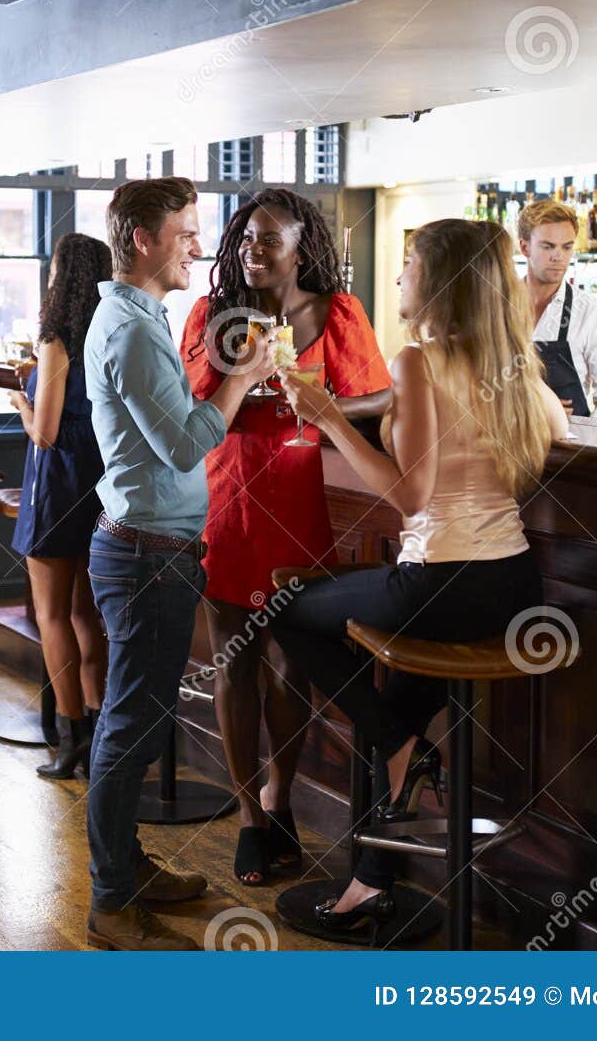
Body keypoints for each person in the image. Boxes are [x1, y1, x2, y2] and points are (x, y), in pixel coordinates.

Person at [272, 218, 569, 933]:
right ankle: (367, 887)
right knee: (401, 706)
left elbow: (411, 495)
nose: (400, 276)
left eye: (408, 263)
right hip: (511, 587)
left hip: (440, 580)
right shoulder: (517, 363)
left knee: (285, 607)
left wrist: (327, 420)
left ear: (438, 281)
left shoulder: (419, 360)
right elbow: (559, 434)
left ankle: (390, 740)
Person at [81, 176, 276, 951]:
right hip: (144, 557)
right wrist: (245, 375)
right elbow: (189, 441)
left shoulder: (138, 318)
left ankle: (124, 867)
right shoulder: (130, 329)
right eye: (187, 231)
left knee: (135, 723)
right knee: (129, 727)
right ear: (141, 239)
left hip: (148, 549)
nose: (199, 243)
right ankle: (108, 900)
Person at [179, 189, 392, 886]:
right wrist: (247, 376)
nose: (252, 250)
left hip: (298, 502)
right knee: (235, 664)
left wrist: (317, 403)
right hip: (229, 498)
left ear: (305, 246)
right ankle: (248, 817)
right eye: (246, 237)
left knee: (292, 665)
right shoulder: (213, 315)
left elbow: (383, 397)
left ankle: (280, 800)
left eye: (270, 238)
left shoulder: (338, 314)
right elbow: (193, 407)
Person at [7, 233, 113, 780]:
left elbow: (44, 434)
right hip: (97, 481)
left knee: (51, 615)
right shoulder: (107, 333)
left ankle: (68, 739)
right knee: (85, 613)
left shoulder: (55, 341)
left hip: (56, 483)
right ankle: (97, 736)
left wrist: (22, 403)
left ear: (59, 277)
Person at [519, 199, 597, 419]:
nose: (559, 256)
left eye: (567, 247)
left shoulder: (592, 313)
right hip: (506, 446)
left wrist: (588, 442)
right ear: (524, 247)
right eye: (548, 246)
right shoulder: (496, 308)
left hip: (571, 445)